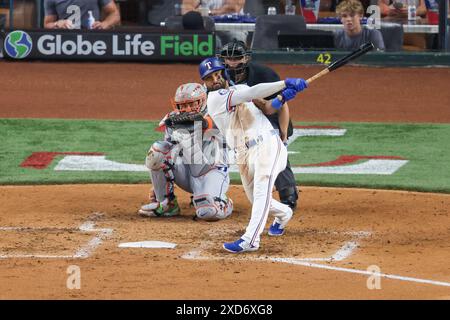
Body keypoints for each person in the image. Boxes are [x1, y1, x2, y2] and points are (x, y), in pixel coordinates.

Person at [198, 57, 308, 253]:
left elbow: (267, 107)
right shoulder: (215, 99)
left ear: (223, 73)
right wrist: (285, 83)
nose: (214, 79)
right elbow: (253, 92)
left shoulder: (239, 90)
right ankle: (284, 213)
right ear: (204, 82)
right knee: (256, 199)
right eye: (209, 78)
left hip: (267, 144)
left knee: (261, 192)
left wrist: (282, 98)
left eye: (217, 74)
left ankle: (250, 239)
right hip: (243, 155)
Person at [218, 40, 299, 210]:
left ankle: (287, 192)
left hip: (272, 117)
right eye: (228, 58)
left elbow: (281, 105)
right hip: (242, 119)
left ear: (246, 58)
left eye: (237, 58)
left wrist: (283, 133)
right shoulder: (219, 77)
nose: (232, 63)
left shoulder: (263, 74)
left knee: (273, 148)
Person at [139, 82, 234, 221]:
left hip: (212, 172)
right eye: (182, 105)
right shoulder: (172, 119)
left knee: (208, 212)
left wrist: (195, 128)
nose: (187, 109)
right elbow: (167, 151)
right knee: (158, 151)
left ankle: (224, 203)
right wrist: (160, 184)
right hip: (188, 172)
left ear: (202, 101)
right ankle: (167, 204)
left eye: (192, 104)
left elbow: (210, 126)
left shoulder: (216, 114)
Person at [44, 0, 120, 29]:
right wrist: (57, 24)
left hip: (93, 39)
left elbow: (114, 14)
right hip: (66, 40)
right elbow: (47, 24)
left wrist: (105, 24)